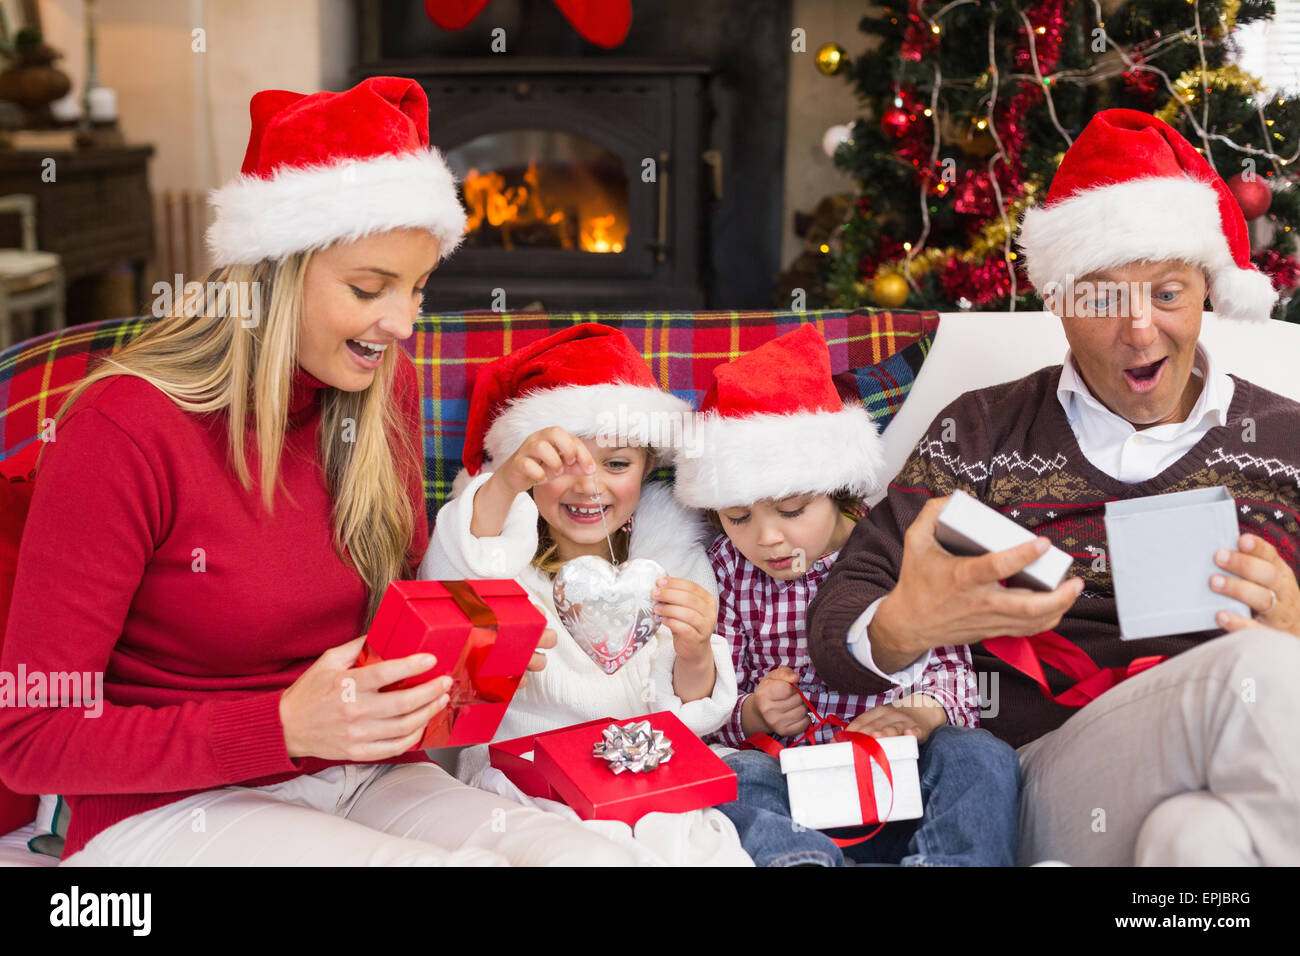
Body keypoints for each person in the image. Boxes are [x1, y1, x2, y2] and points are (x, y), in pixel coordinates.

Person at [0, 76, 635, 866]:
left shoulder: (375, 391)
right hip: (174, 806)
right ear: (272, 273)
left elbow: (378, 632)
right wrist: (280, 726)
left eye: (418, 288)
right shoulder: (122, 429)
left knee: (590, 857)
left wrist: (466, 655)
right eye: (369, 288)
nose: (402, 324)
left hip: (357, 772)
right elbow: (29, 740)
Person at [805, 108, 1300, 866]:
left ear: (1206, 293)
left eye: (1167, 294)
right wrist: (907, 622)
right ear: (1060, 302)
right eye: (1104, 300)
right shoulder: (979, 433)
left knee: (1202, 844)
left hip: (1233, 773)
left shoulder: (1290, 440)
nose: (1140, 332)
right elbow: (835, 631)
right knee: (1255, 674)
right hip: (1045, 779)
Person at [672, 323, 1019, 866]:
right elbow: (713, 700)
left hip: (900, 782)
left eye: (791, 511)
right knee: (732, 773)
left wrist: (922, 713)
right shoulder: (728, 571)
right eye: (737, 517)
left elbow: (953, 672)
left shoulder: (891, 549)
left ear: (835, 490)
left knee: (981, 755)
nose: (767, 538)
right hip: (792, 788)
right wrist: (755, 712)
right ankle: (798, 860)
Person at [419, 324, 747, 864]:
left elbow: (695, 714)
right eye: (560, 466)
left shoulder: (671, 561)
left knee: (689, 845)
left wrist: (695, 652)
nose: (589, 485)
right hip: (522, 778)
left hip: (642, 776)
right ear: (524, 471)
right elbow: (448, 593)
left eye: (616, 464)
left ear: (645, 470)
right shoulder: (501, 558)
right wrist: (500, 487)